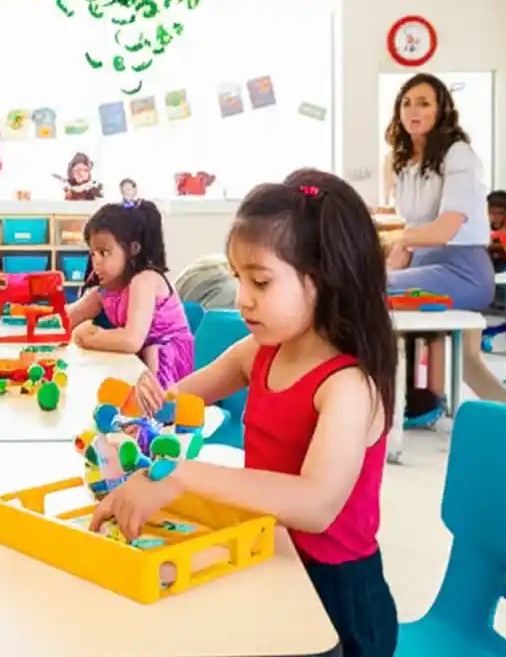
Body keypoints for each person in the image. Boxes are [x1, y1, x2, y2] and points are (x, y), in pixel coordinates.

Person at [93, 170, 398, 657]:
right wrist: (141, 408)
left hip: (336, 601)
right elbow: (178, 400)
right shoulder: (263, 350)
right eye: (239, 278)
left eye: (260, 281)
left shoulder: (347, 385)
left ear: (325, 279)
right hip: (270, 554)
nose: (242, 297)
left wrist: (181, 475)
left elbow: (316, 505)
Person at [382, 73, 506, 417]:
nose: (413, 110)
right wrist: (397, 253)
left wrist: (399, 241)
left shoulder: (458, 155)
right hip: (425, 265)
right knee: (468, 360)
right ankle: (425, 403)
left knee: (370, 288)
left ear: (442, 111)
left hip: (462, 269)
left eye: (424, 103)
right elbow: (412, 224)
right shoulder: (403, 161)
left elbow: (444, 230)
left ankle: (413, 403)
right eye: (406, 103)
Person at [66, 201, 194, 388]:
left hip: (167, 359)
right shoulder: (106, 288)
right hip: (141, 359)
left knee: (147, 355)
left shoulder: (144, 280)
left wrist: (90, 338)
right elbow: (67, 318)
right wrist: (35, 318)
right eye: (93, 254)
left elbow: (131, 340)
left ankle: (159, 413)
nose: (96, 263)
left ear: (133, 249)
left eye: (104, 252)